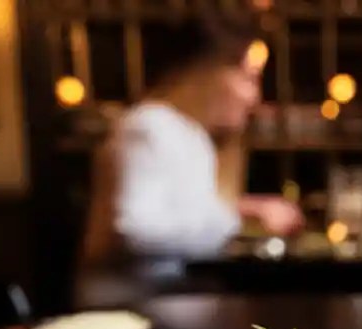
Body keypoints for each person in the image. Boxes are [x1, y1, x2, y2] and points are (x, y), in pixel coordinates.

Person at [81, 5, 303, 269]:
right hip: (134, 302)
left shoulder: (192, 137)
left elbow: (187, 215)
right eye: (248, 79)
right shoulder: (149, 125)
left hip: (174, 295)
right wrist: (235, 219)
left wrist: (248, 209)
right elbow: (133, 229)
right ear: (206, 74)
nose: (253, 97)